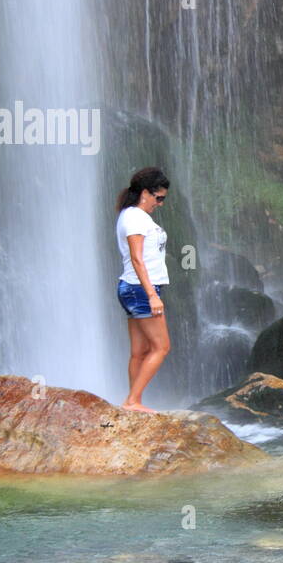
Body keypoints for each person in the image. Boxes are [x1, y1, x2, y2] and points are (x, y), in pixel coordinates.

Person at [115, 167, 171, 413]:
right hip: (140, 290)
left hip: (132, 288)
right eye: (158, 198)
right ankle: (133, 401)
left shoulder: (131, 215)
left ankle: (131, 401)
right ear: (145, 193)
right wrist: (152, 295)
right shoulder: (135, 217)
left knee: (139, 352)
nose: (160, 203)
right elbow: (137, 259)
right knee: (161, 347)